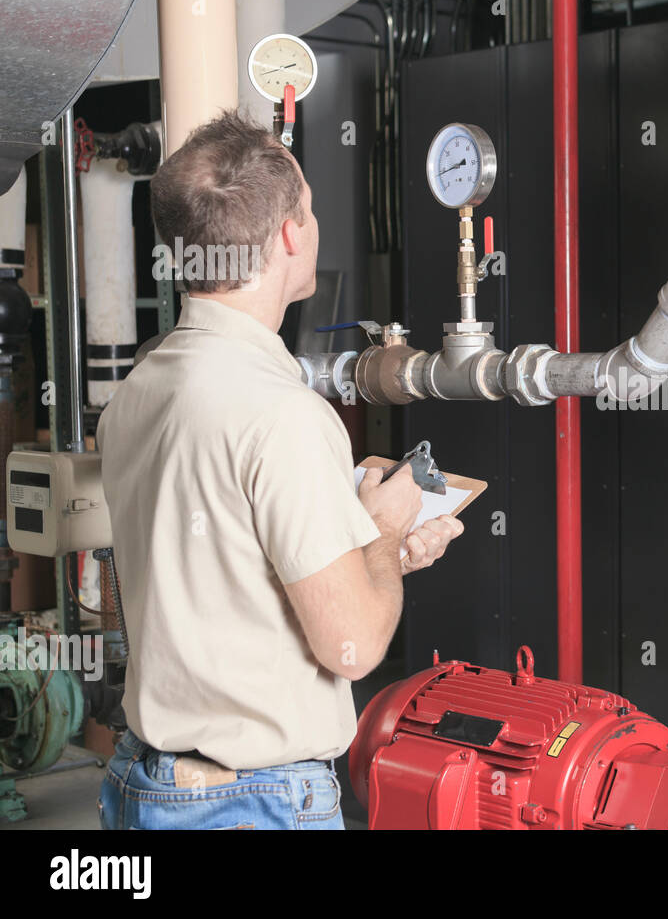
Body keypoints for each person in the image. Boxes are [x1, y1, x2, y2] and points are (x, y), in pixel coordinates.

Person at [96, 111, 462, 829]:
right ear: (291, 234)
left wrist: (368, 549)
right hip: (247, 804)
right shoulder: (284, 415)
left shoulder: (138, 390)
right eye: (311, 207)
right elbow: (350, 646)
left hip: (147, 783)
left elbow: (224, 576)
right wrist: (383, 536)